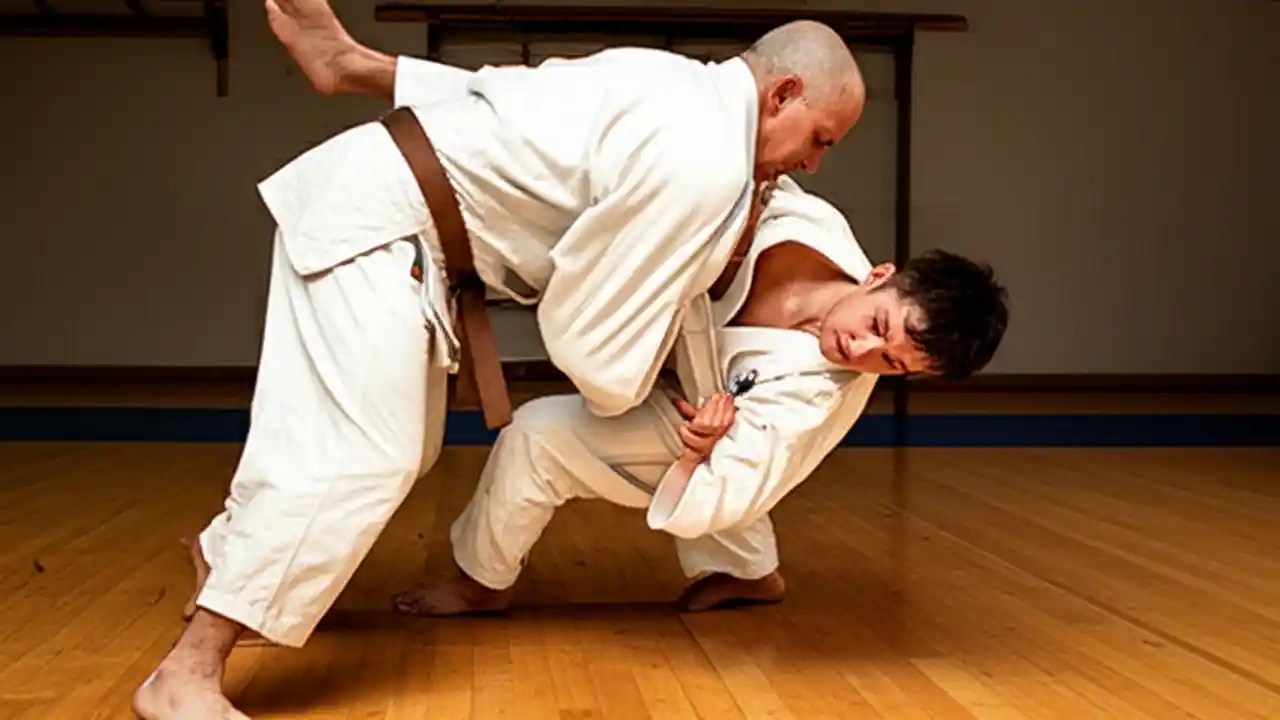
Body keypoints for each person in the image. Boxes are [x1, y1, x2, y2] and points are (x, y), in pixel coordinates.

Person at [134, 1, 868, 718]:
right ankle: (187, 672)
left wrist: (359, 68)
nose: (813, 161)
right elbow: (584, 342)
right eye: (822, 138)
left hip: (379, 204)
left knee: (402, 448)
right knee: (366, 453)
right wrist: (636, 391)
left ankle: (222, 563)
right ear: (784, 93)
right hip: (384, 229)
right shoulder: (708, 162)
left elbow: (504, 92)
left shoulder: (671, 80)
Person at [388, 177, 1009, 617]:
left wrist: (695, 453)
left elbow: (744, 474)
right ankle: (750, 575)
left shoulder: (815, 398)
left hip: (701, 424)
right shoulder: (810, 224)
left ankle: (480, 585)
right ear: (879, 275)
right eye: (878, 326)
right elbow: (734, 185)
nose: (863, 353)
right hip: (674, 364)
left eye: (893, 365)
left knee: (537, 435)